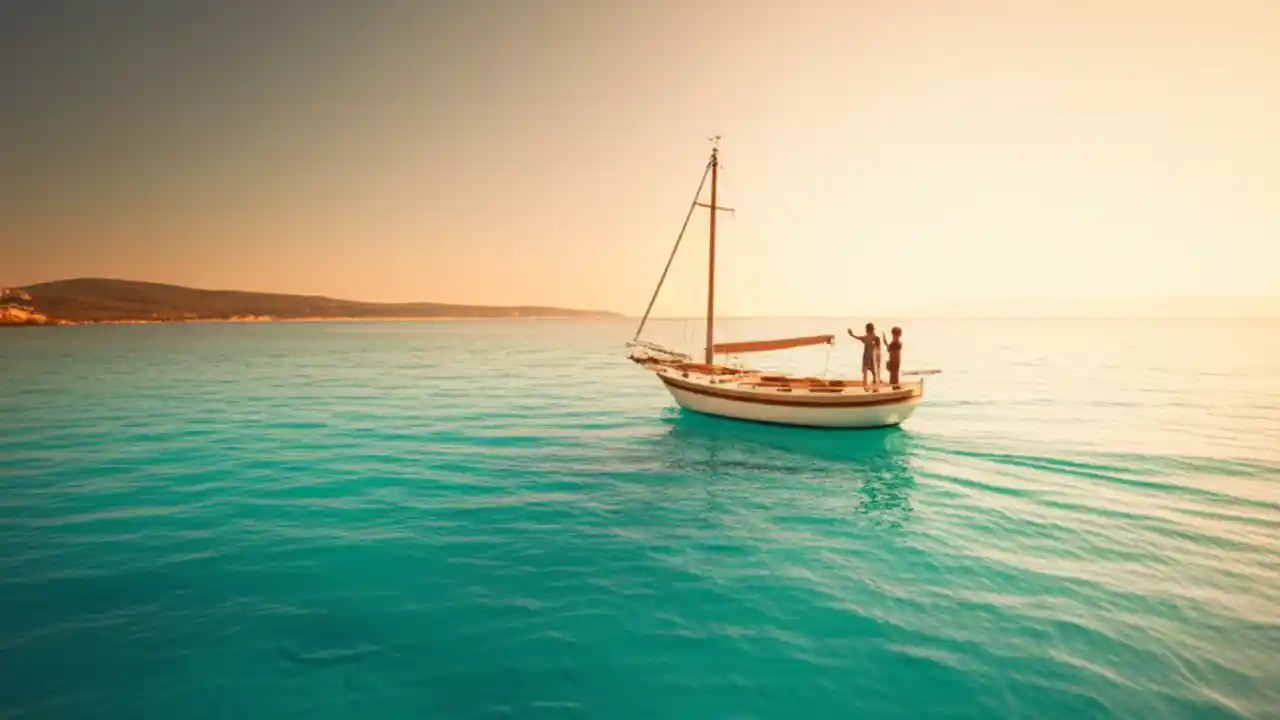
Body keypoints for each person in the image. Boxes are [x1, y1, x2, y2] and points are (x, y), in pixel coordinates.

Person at [847, 323, 882, 389]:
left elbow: (858, 338)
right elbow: (878, 349)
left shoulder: (869, 337)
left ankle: (866, 384)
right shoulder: (875, 337)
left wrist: (851, 334)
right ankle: (874, 382)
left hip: (868, 356)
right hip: (872, 356)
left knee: (867, 370)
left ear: (868, 329)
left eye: (866, 329)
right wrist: (852, 334)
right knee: (873, 371)